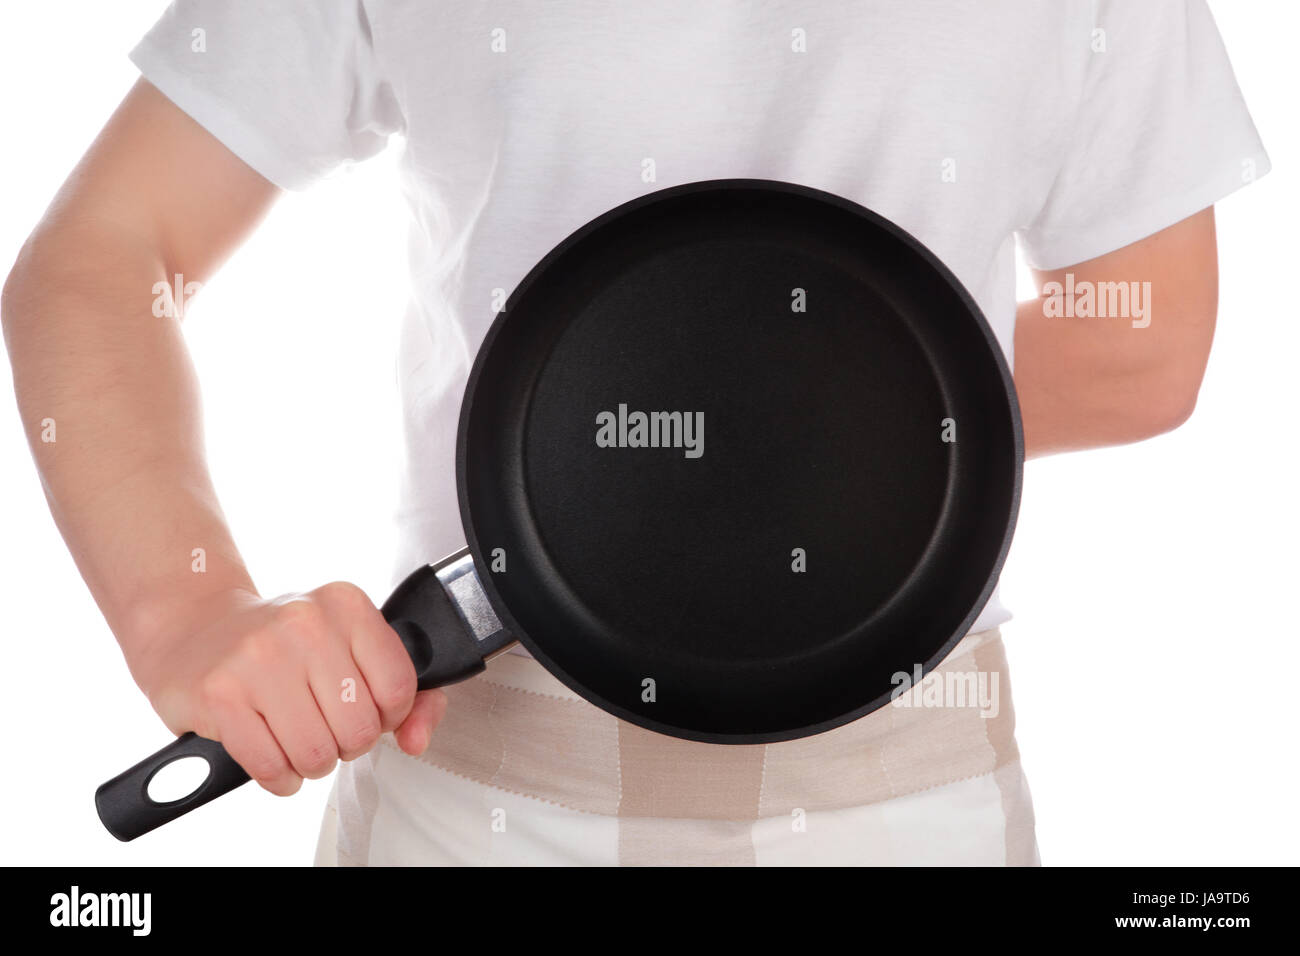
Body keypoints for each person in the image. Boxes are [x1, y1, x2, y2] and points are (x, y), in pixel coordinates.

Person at [2, 1, 1268, 865]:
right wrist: (190, 613)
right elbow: (103, 262)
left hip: (895, 808)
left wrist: (765, 437)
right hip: (484, 781)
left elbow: (1145, 343)